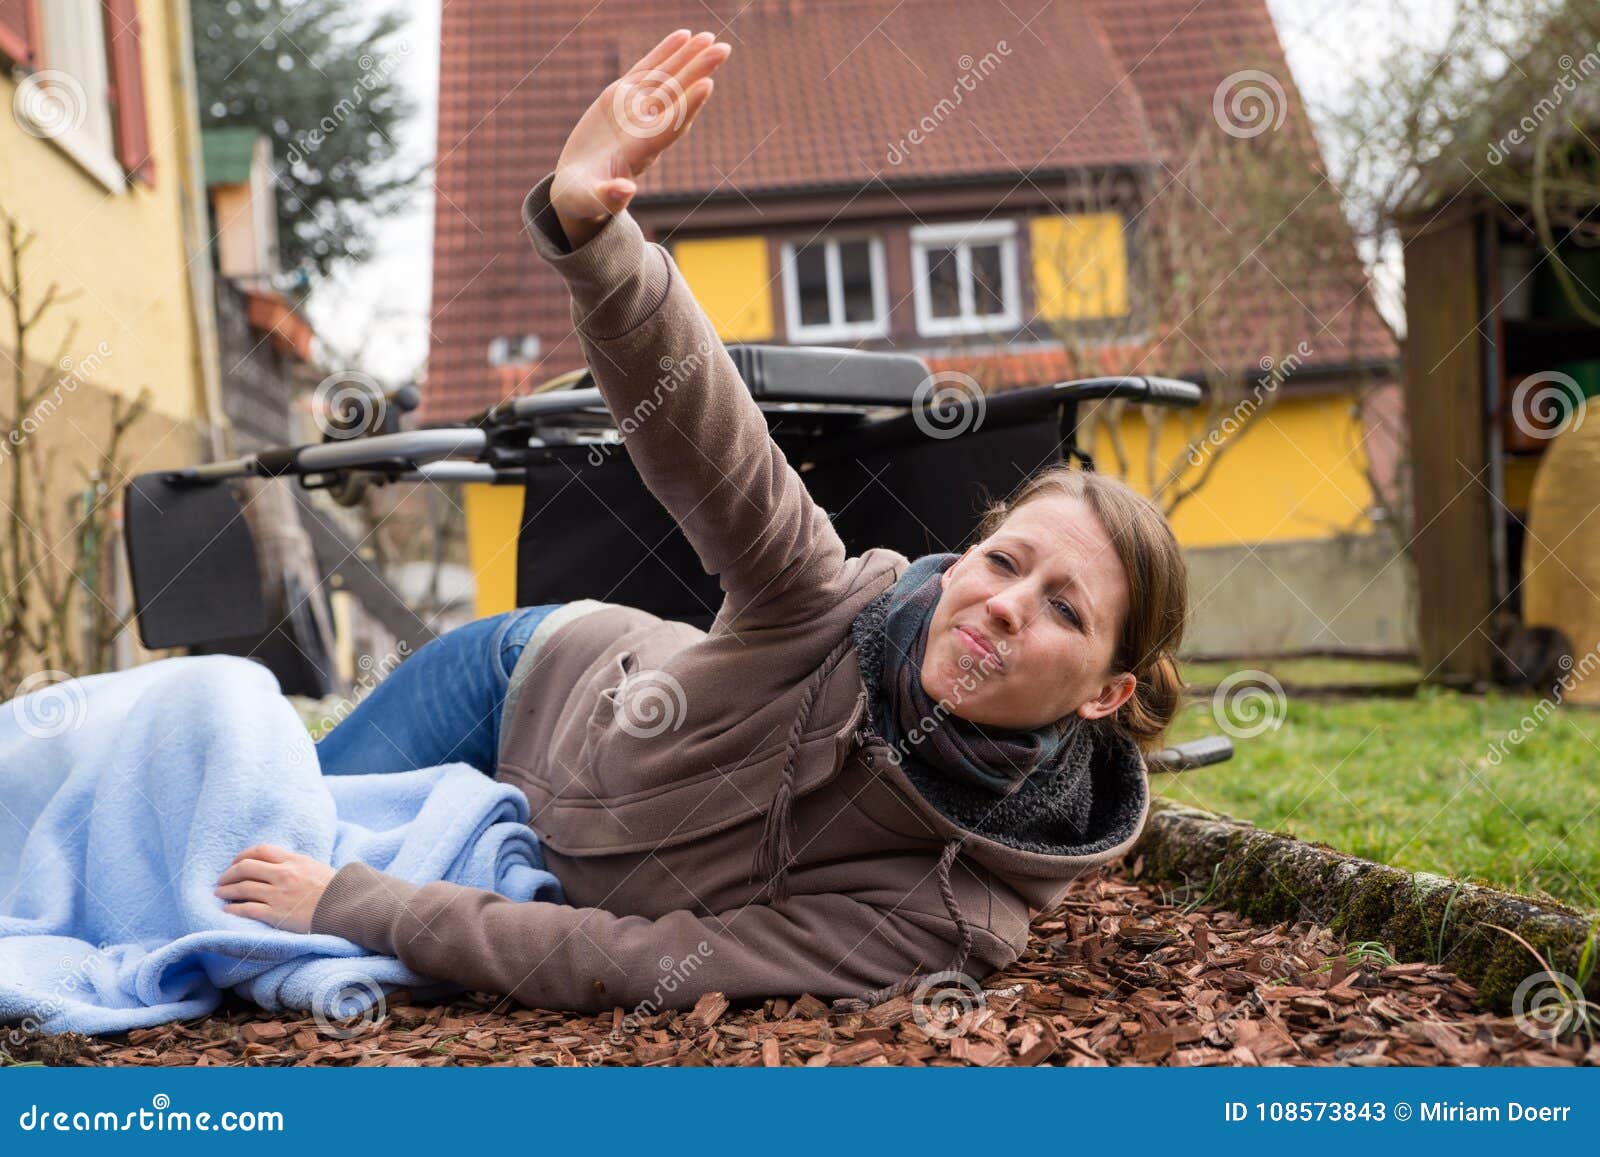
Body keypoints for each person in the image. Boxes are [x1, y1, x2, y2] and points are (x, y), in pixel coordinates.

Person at [214, 28, 1189, 1016]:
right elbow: (711, 439)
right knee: (230, 855)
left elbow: (637, 958)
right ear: (967, 555)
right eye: (1005, 561)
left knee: (284, 903)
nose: (1007, 605)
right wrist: (594, 235)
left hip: (559, 848)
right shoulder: (830, 605)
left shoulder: (954, 908)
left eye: (1064, 608)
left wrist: (362, 902)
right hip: (520, 681)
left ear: (1108, 692)